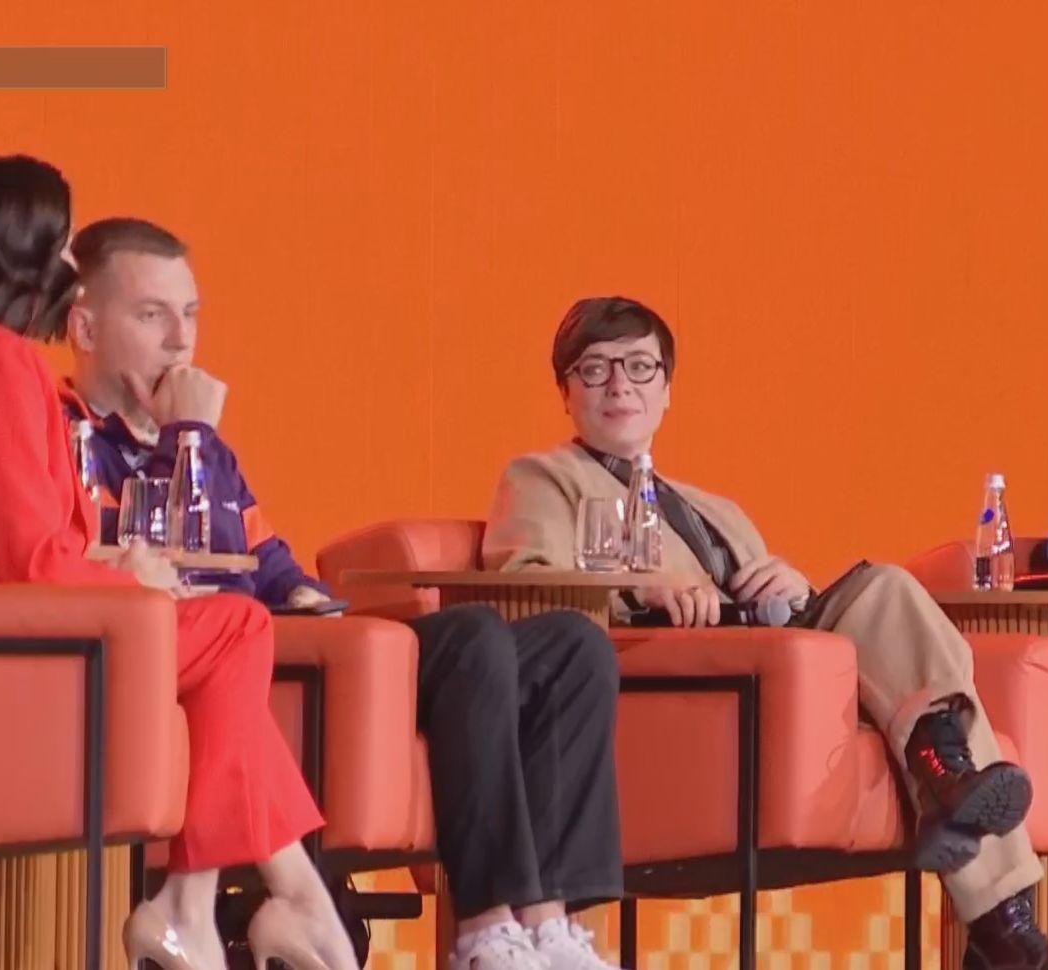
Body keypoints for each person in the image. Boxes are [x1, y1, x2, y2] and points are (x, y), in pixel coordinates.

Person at [61, 216, 627, 970]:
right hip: (220, 668)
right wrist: (186, 438)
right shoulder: (68, 435)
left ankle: (547, 924)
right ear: (84, 327)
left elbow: (270, 566)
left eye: (190, 315)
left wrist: (303, 592)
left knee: (570, 646)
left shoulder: (207, 445)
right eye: (151, 315)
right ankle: (485, 932)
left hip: (290, 643)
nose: (180, 341)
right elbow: (164, 566)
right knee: (474, 638)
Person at [0, 156, 354, 970]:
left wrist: (113, 572)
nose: (70, 266)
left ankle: (285, 901)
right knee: (236, 628)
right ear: (21, 251)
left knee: (223, 660)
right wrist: (131, 582)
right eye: (62, 244)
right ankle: (211, 901)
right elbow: (33, 562)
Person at [482, 295, 1048, 970]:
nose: (619, 385)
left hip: (760, 661)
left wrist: (793, 590)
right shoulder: (541, 479)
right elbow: (526, 594)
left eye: (640, 367)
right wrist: (636, 587)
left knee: (885, 589)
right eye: (595, 369)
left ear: (668, 390)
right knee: (906, 663)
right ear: (565, 392)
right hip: (671, 684)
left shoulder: (713, 508)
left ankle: (953, 792)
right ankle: (995, 912)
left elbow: (778, 619)